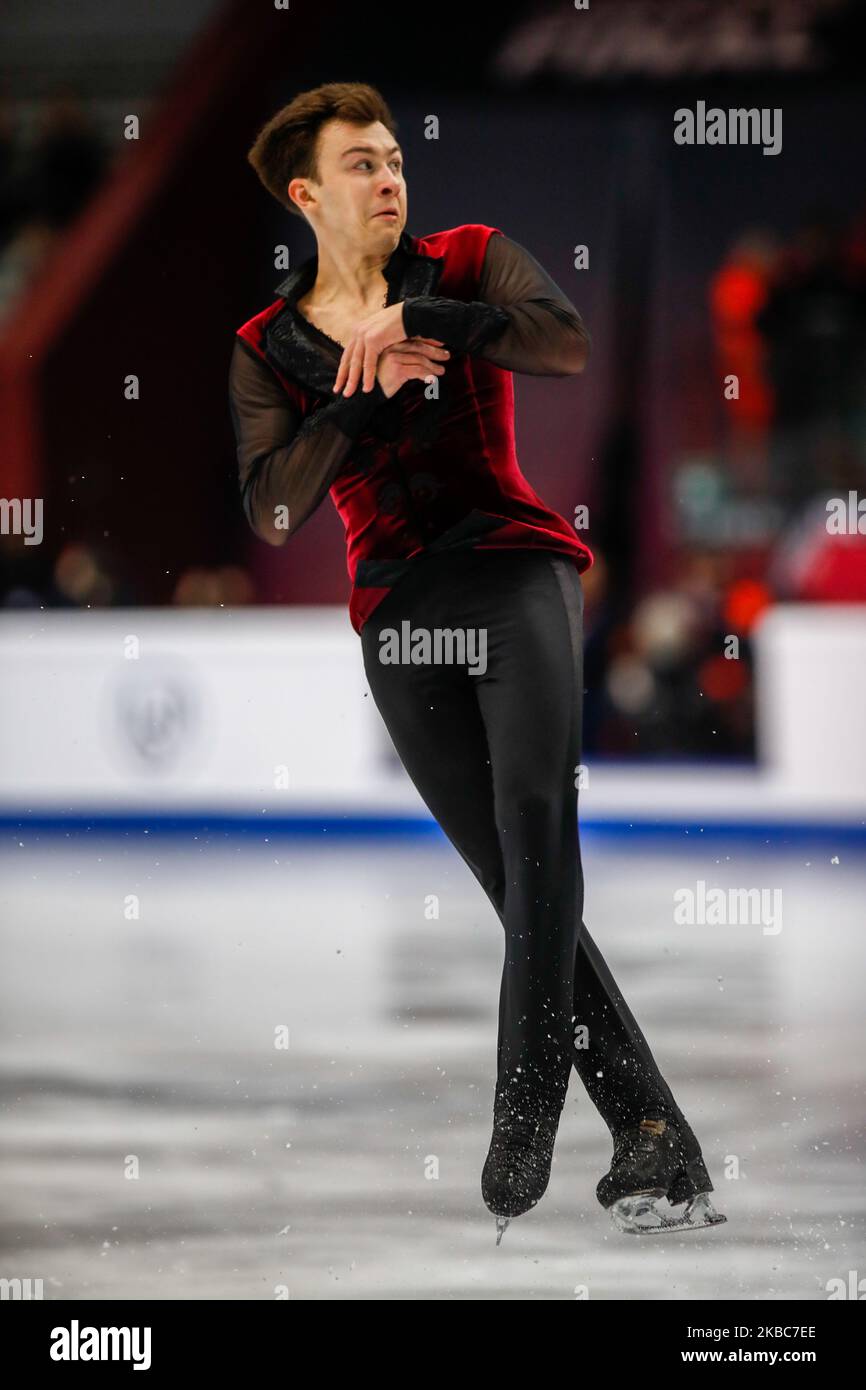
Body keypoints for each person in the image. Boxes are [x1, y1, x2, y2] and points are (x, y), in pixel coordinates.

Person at [228, 81, 726, 1241]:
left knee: (537, 818)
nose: (390, 176)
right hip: (399, 613)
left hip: (513, 570)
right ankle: (655, 1133)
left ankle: (523, 1108)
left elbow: (561, 341)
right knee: (512, 878)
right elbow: (269, 509)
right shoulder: (265, 344)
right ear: (307, 194)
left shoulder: (465, 259)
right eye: (360, 163)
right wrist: (358, 390)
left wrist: (430, 327)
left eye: (394, 156)